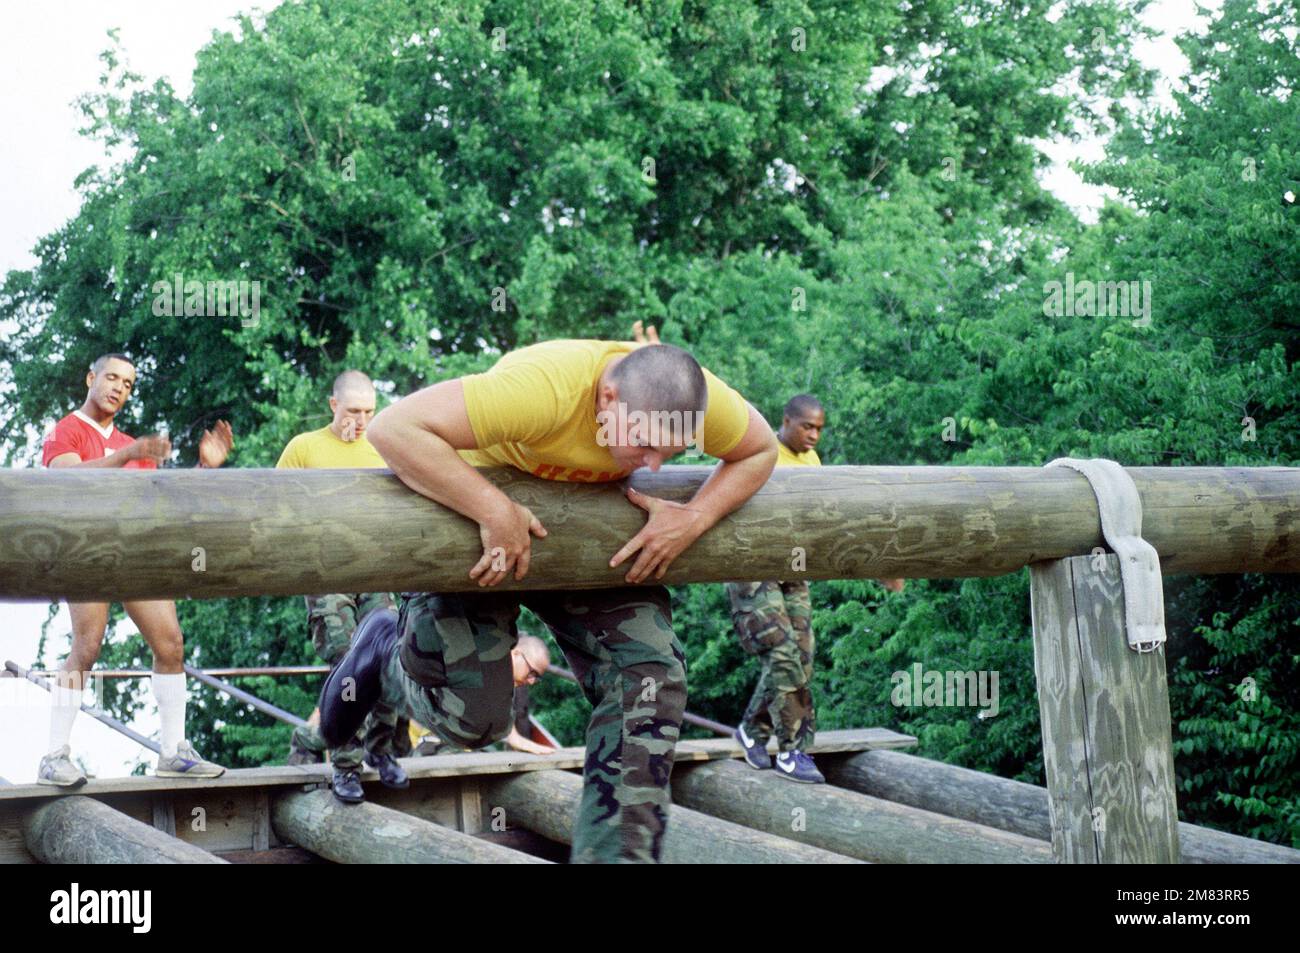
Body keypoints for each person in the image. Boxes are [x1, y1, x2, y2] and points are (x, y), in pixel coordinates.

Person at [319, 337, 778, 862]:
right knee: (477, 721)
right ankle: (385, 652)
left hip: (583, 541)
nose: (652, 467)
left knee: (651, 674)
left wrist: (696, 516)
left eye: (669, 454)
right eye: (643, 444)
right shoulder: (543, 390)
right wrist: (492, 508)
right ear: (607, 398)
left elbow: (759, 449)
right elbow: (392, 429)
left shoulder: (688, 398)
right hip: (479, 538)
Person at [38, 353, 232, 786]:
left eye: (127, 384)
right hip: (82, 550)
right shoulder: (66, 430)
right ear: (91, 378)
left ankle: (173, 753)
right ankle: (53, 756)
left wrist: (203, 469)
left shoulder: (132, 445)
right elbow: (68, 481)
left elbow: (163, 506)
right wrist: (128, 453)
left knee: (171, 643)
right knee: (87, 646)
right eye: (112, 378)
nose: (119, 388)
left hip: (132, 553)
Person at [727, 394, 904, 783]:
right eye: (807, 427)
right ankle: (793, 752)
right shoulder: (760, 451)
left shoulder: (812, 461)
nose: (814, 435)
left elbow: (828, 521)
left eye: (820, 429)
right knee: (782, 654)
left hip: (793, 568)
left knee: (802, 657)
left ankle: (752, 730)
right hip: (754, 567)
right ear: (786, 421)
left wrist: (878, 567)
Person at [276, 370, 410, 803]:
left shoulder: (384, 446)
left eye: (370, 411)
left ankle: (379, 750)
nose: (362, 420)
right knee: (347, 661)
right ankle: (345, 768)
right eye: (354, 411)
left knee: (389, 657)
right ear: (333, 406)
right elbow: (272, 505)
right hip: (327, 572)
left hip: (375, 571)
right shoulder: (304, 447)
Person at [410, 634, 557, 756]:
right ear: (516, 654)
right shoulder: (476, 663)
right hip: (428, 742)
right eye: (532, 672)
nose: (531, 681)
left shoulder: (502, 682)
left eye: (537, 677)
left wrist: (517, 740)